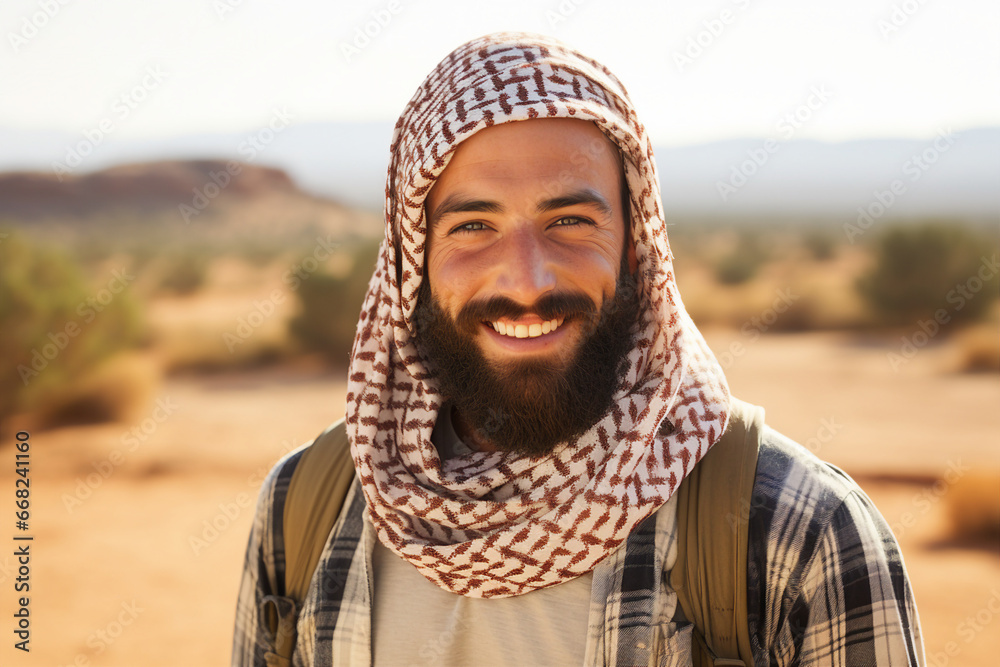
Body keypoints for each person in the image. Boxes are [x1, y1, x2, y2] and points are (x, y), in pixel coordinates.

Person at [232, 33, 923, 666]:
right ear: (415, 262)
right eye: (473, 225)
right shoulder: (305, 511)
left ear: (634, 246)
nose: (527, 281)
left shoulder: (800, 536)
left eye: (570, 220)